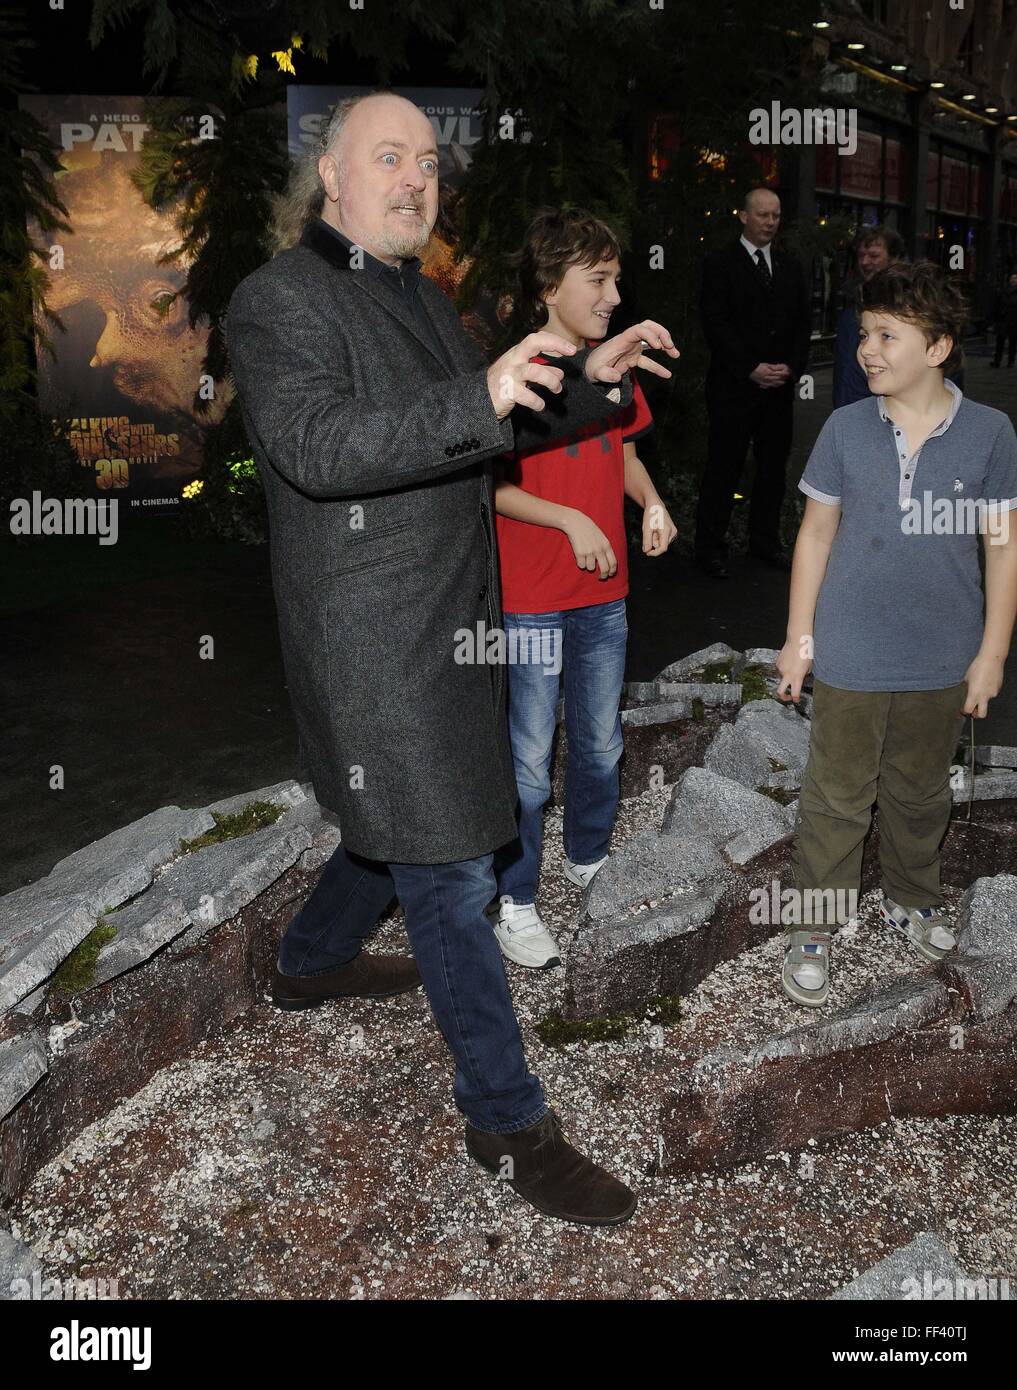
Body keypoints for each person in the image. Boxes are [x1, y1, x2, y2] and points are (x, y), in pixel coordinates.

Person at [225, 89, 679, 1224]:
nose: (417, 178)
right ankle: (507, 1120)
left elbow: (499, 420)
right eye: (391, 157)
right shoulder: (277, 301)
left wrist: (595, 380)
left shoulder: (423, 298)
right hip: (374, 644)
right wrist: (474, 394)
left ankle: (309, 962)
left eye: (428, 161)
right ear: (330, 175)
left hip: (453, 623)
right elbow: (322, 448)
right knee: (453, 869)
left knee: (403, 830)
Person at [775, 261, 1017, 1008]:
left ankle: (912, 896)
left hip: (942, 657)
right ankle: (814, 921)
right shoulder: (845, 427)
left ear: (938, 346)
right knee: (833, 797)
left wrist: (989, 655)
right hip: (848, 650)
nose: (865, 349)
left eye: (886, 335)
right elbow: (814, 536)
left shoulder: (989, 433)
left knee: (920, 794)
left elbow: (1001, 547)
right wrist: (798, 639)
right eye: (863, 333)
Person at [488, 208, 677, 968]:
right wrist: (566, 518)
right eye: (596, 280)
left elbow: (621, 450)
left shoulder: (614, 361)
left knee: (600, 743)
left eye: (616, 279)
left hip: (604, 594)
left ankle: (588, 858)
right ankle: (516, 898)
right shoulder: (514, 372)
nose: (612, 294)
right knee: (528, 761)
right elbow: (484, 485)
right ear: (546, 285)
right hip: (529, 596)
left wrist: (653, 501)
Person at [695, 186, 811, 578]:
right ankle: (709, 549)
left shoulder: (791, 266)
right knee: (723, 467)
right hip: (733, 388)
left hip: (778, 390)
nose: (770, 222)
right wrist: (750, 367)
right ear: (743, 216)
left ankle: (764, 542)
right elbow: (715, 323)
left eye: (776, 215)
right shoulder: (719, 264)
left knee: (772, 471)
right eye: (763, 215)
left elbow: (802, 324)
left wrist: (789, 368)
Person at [832, 224, 906, 408]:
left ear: (894, 258)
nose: (865, 263)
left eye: (873, 256)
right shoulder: (854, 297)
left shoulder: (909, 306)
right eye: (861, 256)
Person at [988, 270, 1017, 368]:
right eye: (1012, 278)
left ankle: (1011, 361)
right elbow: (996, 305)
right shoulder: (1003, 291)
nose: (1013, 280)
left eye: (1015, 278)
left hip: (1014, 321)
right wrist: (995, 318)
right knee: (1000, 341)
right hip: (1003, 320)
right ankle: (997, 360)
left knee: (1013, 342)